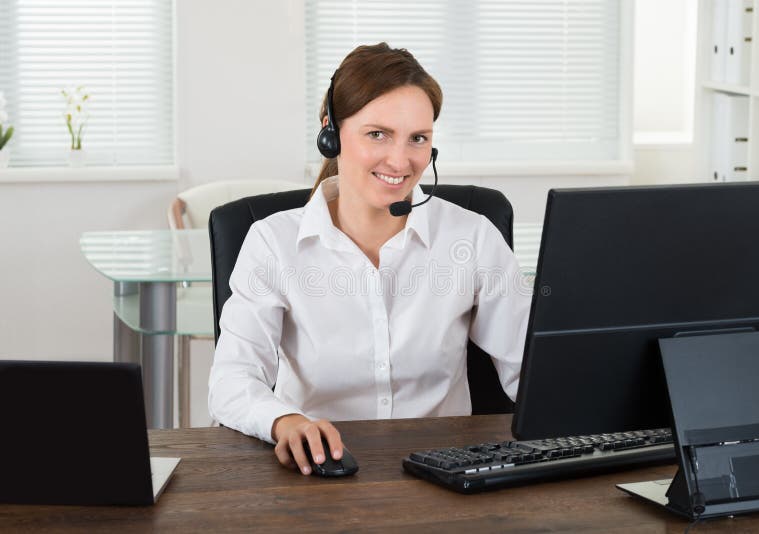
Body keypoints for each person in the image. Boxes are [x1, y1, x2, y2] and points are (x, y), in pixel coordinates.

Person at [209, 43, 530, 476]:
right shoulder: (273, 242)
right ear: (331, 133)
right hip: (318, 472)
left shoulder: (471, 237)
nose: (400, 160)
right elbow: (231, 381)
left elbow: (530, 370)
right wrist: (285, 421)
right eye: (377, 134)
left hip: (446, 474)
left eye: (418, 138)